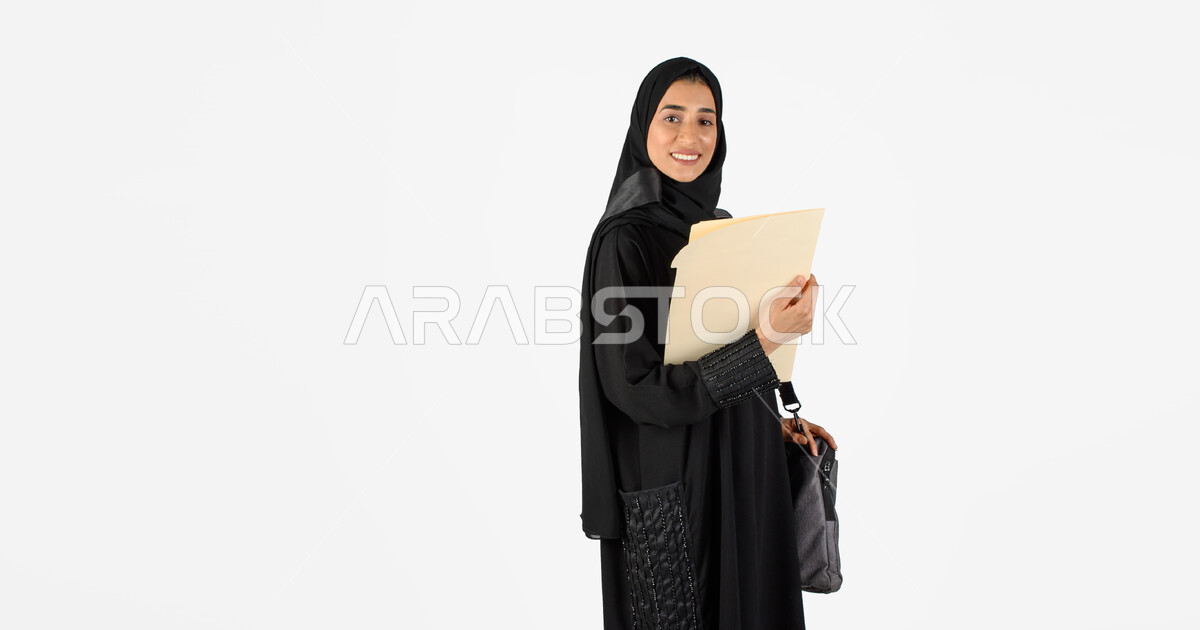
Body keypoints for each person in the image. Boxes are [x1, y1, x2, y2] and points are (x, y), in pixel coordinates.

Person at [578, 57, 838, 629]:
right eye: (672, 117)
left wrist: (775, 421)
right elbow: (635, 389)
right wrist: (766, 337)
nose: (690, 137)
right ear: (642, 127)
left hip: (746, 468)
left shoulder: (719, 228)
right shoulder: (626, 240)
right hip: (675, 489)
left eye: (706, 120)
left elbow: (714, 343)